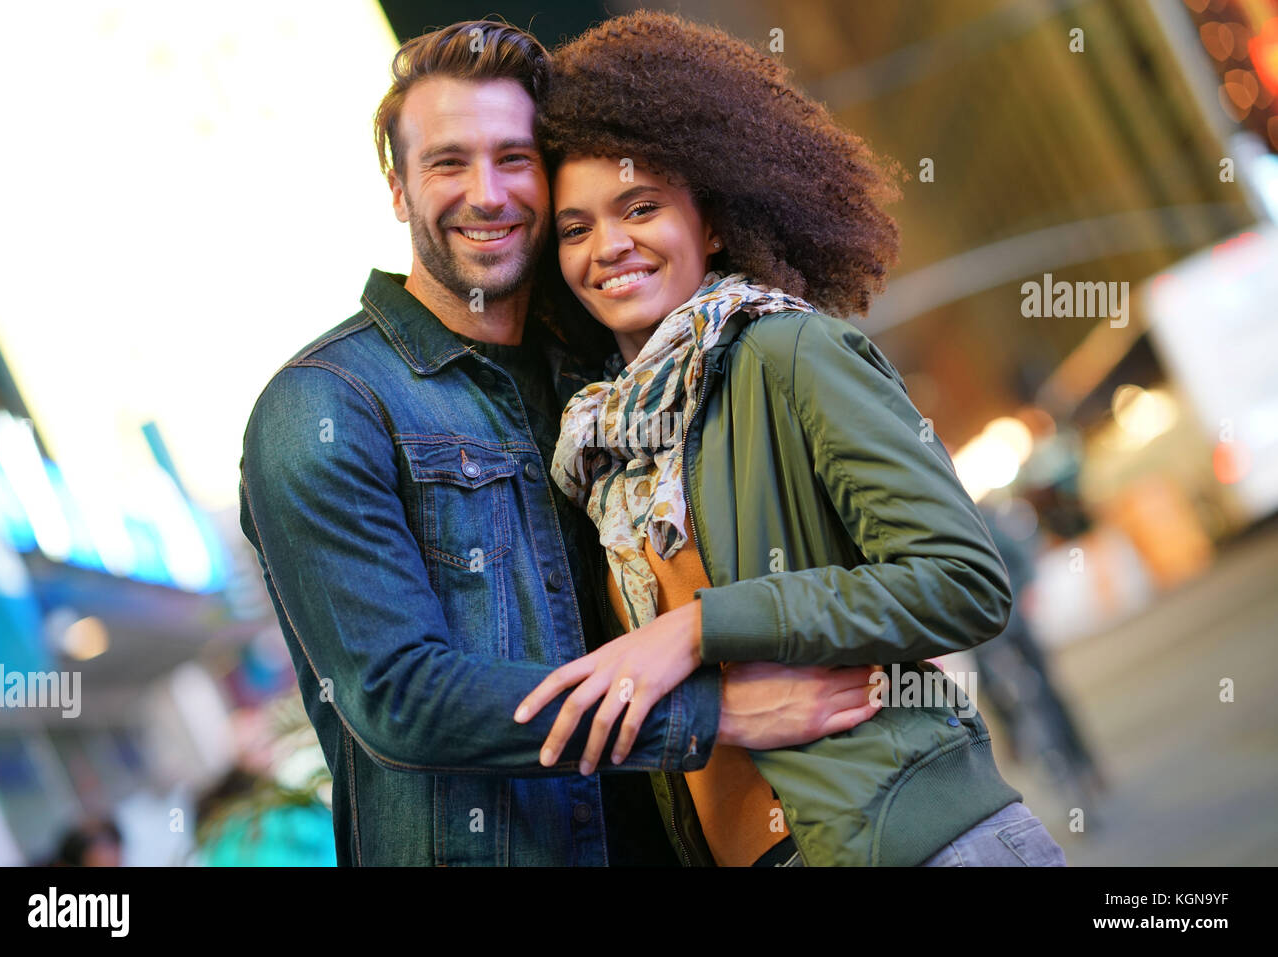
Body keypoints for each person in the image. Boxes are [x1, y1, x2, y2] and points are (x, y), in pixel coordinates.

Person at [238, 19, 882, 866]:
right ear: (398, 190)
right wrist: (714, 713)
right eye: (448, 162)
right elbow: (399, 696)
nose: (488, 192)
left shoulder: (598, 375)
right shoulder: (325, 404)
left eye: (514, 158)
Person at [515, 10, 1066, 866]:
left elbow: (963, 581)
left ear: (717, 220)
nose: (609, 245)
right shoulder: (600, 451)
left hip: (917, 845)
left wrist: (700, 628)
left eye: (641, 206)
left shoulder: (789, 352)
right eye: (577, 227)